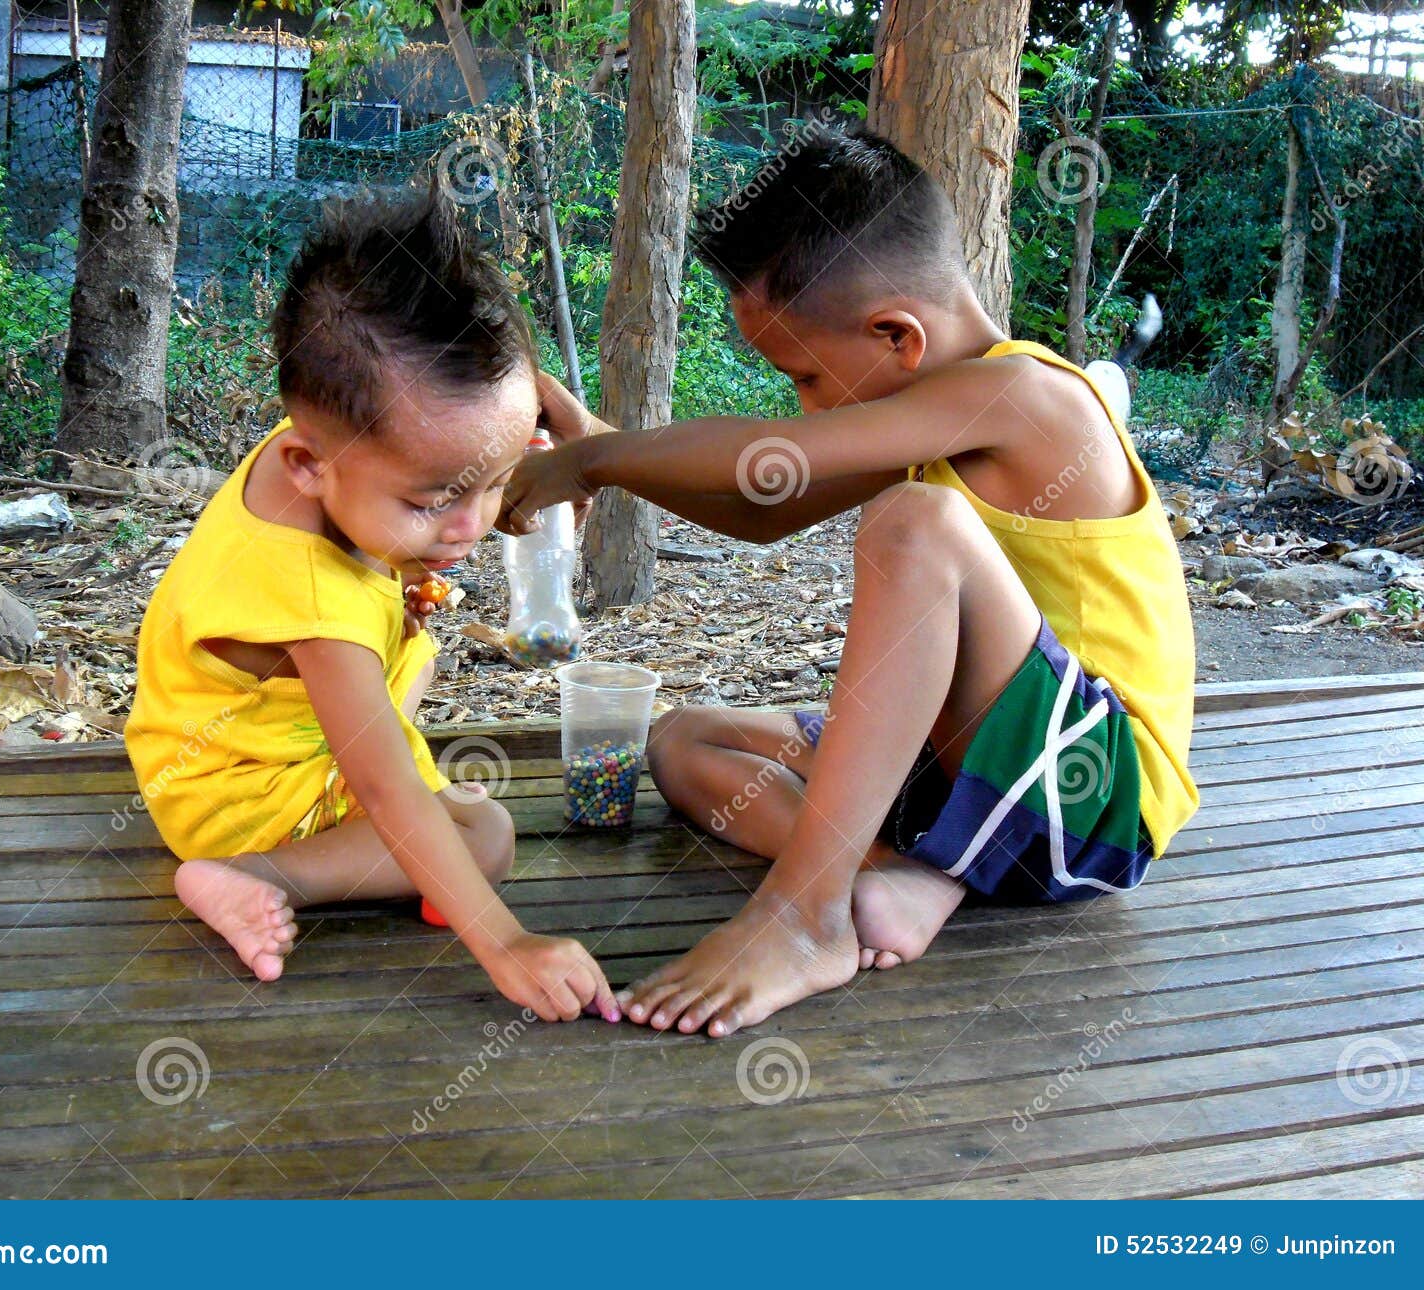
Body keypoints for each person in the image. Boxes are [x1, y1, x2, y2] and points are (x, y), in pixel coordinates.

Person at [503, 126, 1198, 1038]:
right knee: (684, 744)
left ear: (896, 337)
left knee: (918, 527)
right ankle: (893, 868)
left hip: (1091, 796)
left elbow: (770, 460)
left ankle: (805, 915)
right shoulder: (940, 410)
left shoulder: (1024, 399)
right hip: (964, 775)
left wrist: (595, 458)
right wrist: (602, 451)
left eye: (802, 376)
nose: (800, 403)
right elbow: (766, 507)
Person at [126, 185, 620, 1025]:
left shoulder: (347, 432)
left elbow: (494, 387)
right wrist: (503, 943)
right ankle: (254, 877)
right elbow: (386, 785)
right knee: (485, 837)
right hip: (238, 795)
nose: (476, 523)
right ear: (308, 464)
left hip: (266, 736)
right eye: (436, 501)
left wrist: (555, 416)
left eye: (496, 481)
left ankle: (388, 877)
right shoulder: (317, 599)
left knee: (448, 800)